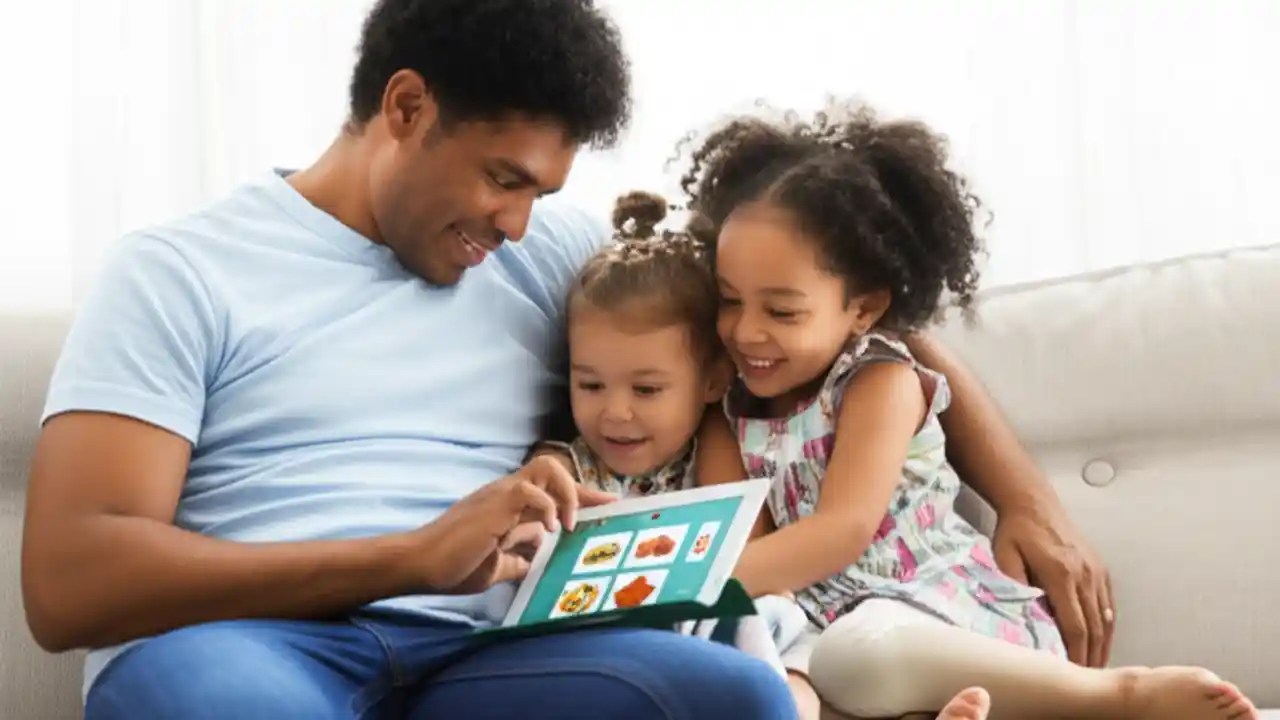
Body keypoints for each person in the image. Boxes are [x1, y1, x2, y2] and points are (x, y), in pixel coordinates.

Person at [18, 1, 1107, 718]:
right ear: (404, 109)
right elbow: (69, 585)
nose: (521, 221)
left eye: (542, 189)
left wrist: (1018, 495)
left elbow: (843, 306)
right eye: (503, 178)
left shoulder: (550, 259)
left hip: (491, 657)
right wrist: (408, 556)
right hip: (248, 651)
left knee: (745, 700)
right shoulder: (178, 272)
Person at [680, 97, 1259, 720]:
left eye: (782, 311)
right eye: (729, 300)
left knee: (856, 655)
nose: (744, 331)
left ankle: (1121, 696)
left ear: (864, 308)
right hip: (819, 625)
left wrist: (681, 588)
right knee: (779, 681)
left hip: (930, 615)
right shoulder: (727, 408)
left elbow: (842, 531)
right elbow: (740, 535)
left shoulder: (878, 379)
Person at [551, 190, 994, 720]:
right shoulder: (572, 463)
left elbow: (758, 536)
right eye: (590, 385)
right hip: (639, 633)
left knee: (797, 662)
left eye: (645, 391)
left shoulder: (728, 427)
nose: (615, 413)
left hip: (822, 612)